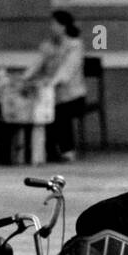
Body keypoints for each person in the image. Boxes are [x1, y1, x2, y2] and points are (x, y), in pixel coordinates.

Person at [23, 10, 85, 163]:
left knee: (60, 111)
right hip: (49, 94)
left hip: (72, 95)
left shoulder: (75, 45)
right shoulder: (47, 46)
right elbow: (37, 64)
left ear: (63, 26)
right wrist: (25, 77)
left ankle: (67, 150)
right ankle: (46, 150)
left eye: (54, 24)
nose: (51, 27)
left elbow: (68, 68)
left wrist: (53, 82)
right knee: (37, 109)